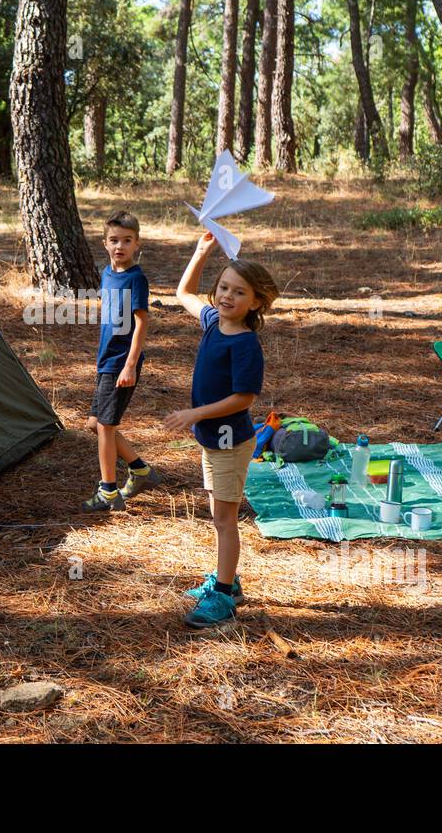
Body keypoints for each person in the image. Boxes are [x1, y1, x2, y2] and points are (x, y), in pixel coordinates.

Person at [165, 232, 279, 627]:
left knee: (225, 520)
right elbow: (183, 293)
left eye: (239, 292)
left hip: (230, 442)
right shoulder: (214, 321)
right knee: (218, 514)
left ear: (256, 302)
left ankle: (225, 595)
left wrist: (195, 414)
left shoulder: (245, 344)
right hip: (213, 441)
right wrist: (199, 253)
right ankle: (227, 580)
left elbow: (243, 400)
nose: (227, 296)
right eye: (223, 288)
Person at [81, 212, 162, 512]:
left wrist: (130, 364)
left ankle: (108, 492)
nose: (120, 246)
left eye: (127, 241)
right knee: (95, 423)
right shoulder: (107, 273)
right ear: (105, 243)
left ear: (137, 244)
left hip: (121, 362)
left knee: (105, 426)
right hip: (105, 360)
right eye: (114, 240)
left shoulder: (136, 279)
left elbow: (141, 323)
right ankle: (140, 470)